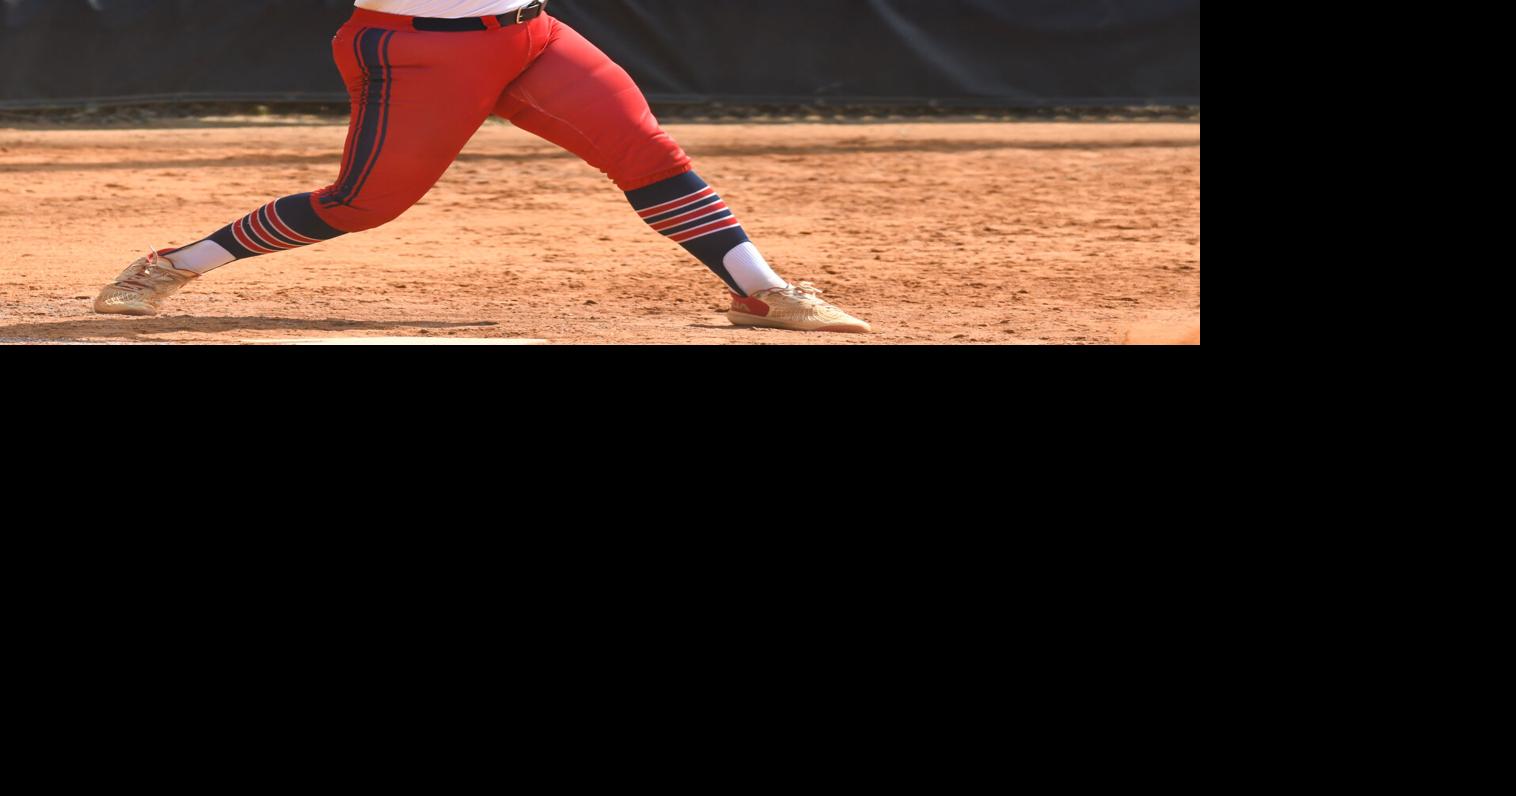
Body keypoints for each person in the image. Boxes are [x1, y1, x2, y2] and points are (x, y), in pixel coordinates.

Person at [93, 0, 871, 333]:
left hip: (533, 34)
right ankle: (169, 266)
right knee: (363, 203)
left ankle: (763, 292)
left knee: (650, 155)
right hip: (414, 47)